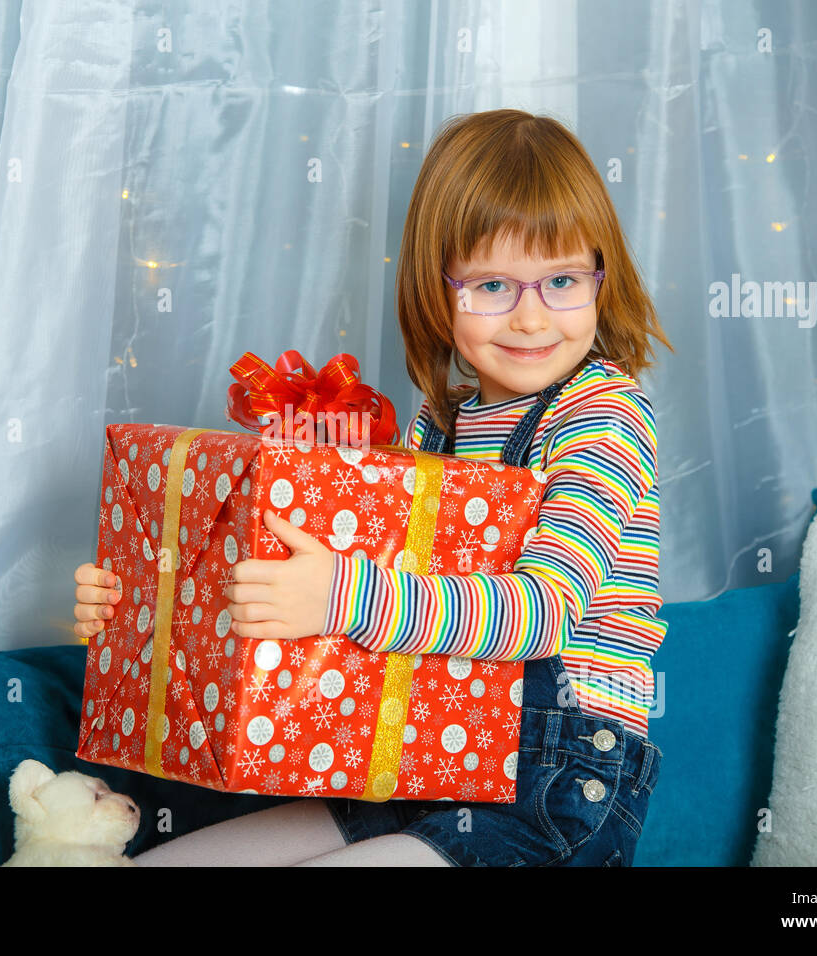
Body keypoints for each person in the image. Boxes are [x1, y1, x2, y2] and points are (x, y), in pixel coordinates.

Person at [73, 108, 675, 866]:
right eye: (493, 284)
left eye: (561, 280)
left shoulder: (603, 414)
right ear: (438, 287)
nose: (531, 317)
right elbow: (318, 580)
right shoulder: (438, 423)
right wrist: (144, 600)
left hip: (555, 785)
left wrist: (337, 595)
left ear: (601, 278)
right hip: (417, 757)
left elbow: (541, 614)